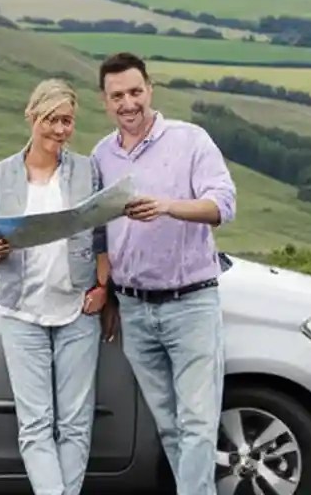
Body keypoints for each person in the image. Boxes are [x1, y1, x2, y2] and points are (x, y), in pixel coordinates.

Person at [90, 52, 237, 495]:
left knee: (197, 423)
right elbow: (100, 230)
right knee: (171, 427)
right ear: (106, 100)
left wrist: (169, 205)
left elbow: (223, 206)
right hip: (135, 309)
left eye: (136, 92)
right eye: (118, 96)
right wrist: (109, 292)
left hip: (190, 302)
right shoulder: (101, 154)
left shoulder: (190, 140)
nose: (128, 103)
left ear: (150, 90)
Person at [0, 78, 114, 495]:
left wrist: (103, 288)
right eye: (51, 120)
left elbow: (101, 235)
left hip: (77, 309)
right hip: (22, 312)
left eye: (67, 121)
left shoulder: (87, 171)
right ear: (32, 117)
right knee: (35, 424)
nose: (60, 130)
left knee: (74, 423)